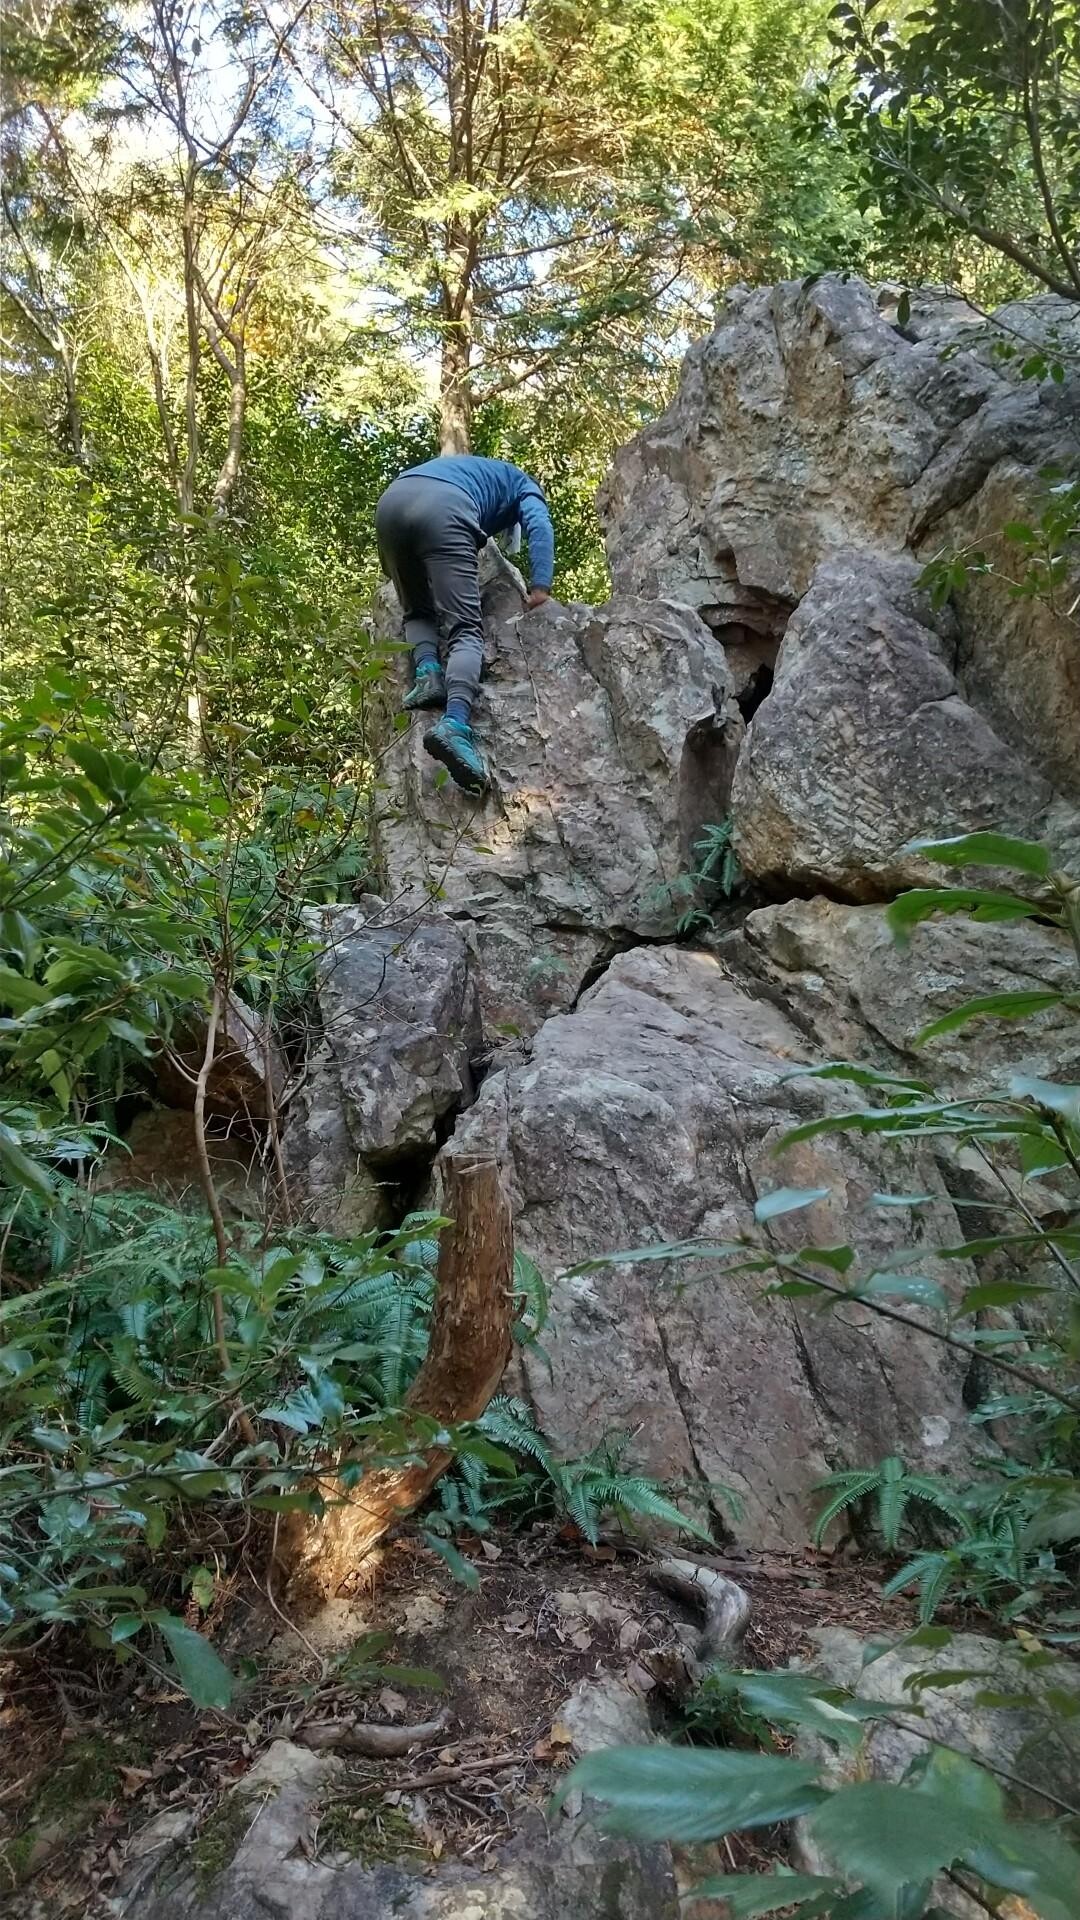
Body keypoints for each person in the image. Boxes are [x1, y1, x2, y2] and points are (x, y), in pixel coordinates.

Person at [375, 453, 555, 795]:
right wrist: (541, 586)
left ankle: (427, 672)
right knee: (466, 630)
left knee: (417, 611)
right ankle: (454, 724)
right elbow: (539, 525)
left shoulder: (476, 470)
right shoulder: (524, 484)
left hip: (390, 507)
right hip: (444, 509)